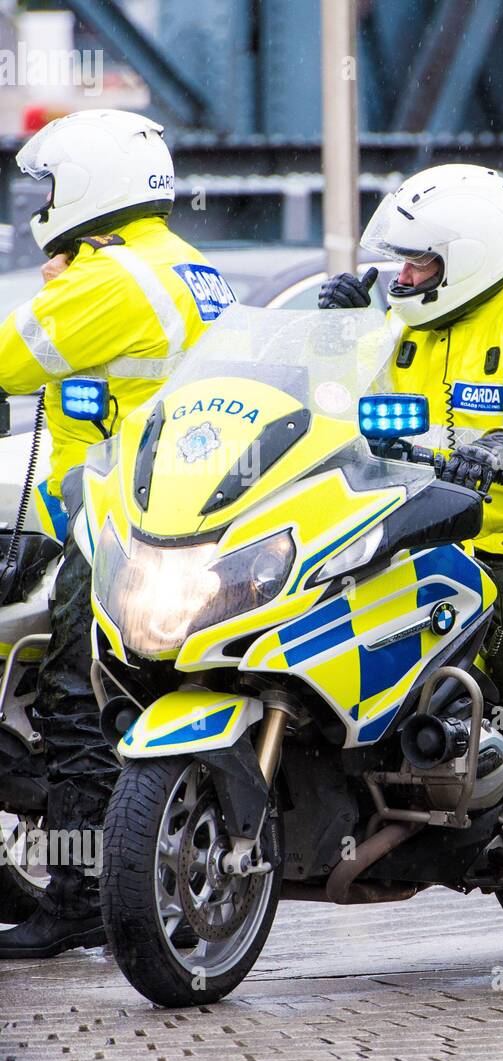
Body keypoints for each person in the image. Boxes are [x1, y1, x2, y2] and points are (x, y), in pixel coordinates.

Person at [319, 164, 503, 976]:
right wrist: (337, 344)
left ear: (470, 257)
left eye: (419, 263)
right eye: (401, 263)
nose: (402, 277)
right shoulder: (400, 331)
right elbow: (331, 420)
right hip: (416, 536)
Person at [0, 110, 236, 959]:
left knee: (71, 698)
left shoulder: (110, 280)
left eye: (52, 187)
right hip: (174, 517)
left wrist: (59, 284)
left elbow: (6, 355)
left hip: (125, 528)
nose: (43, 205)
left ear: (90, 187)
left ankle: (77, 893)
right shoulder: (187, 267)